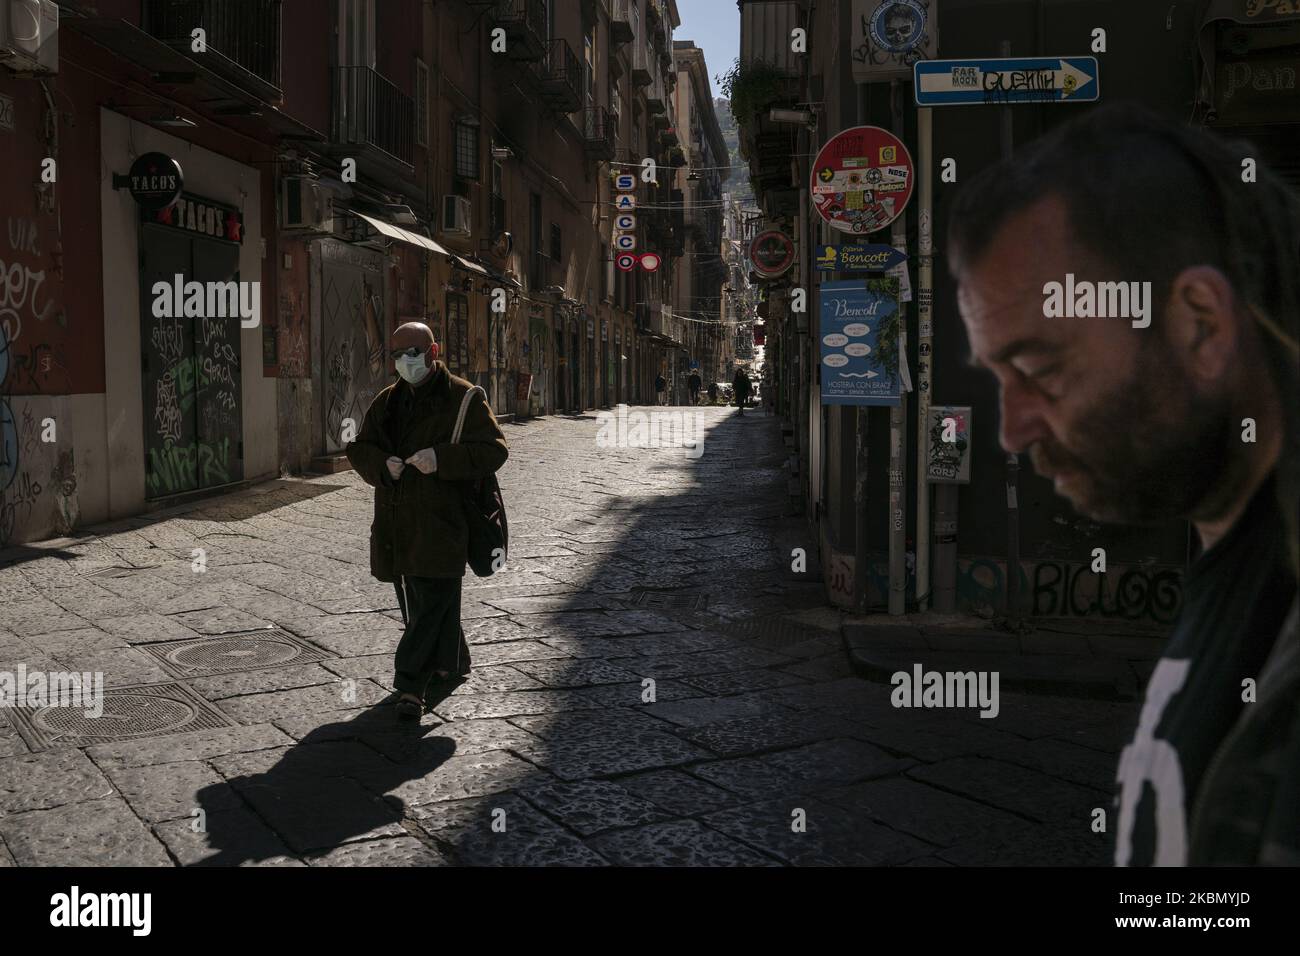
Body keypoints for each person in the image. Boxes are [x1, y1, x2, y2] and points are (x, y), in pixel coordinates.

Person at [948, 103, 1299, 866]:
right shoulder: (1236, 556)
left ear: (1201, 324)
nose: (1012, 431)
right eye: (998, 376)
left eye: (1041, 370)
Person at [346, 321, 509, 720]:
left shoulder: (465, 399)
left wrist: (441, 459)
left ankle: (410, 687)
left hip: (444, 524)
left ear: (433, 353)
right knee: (422, 601)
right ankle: (453, 660)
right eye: (397, 355)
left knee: (431, 598)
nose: (405, 362)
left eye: (412, 353)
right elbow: (359, 449)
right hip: (396, 524)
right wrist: (382, 465)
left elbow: (494, 451)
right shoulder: (387, 401)